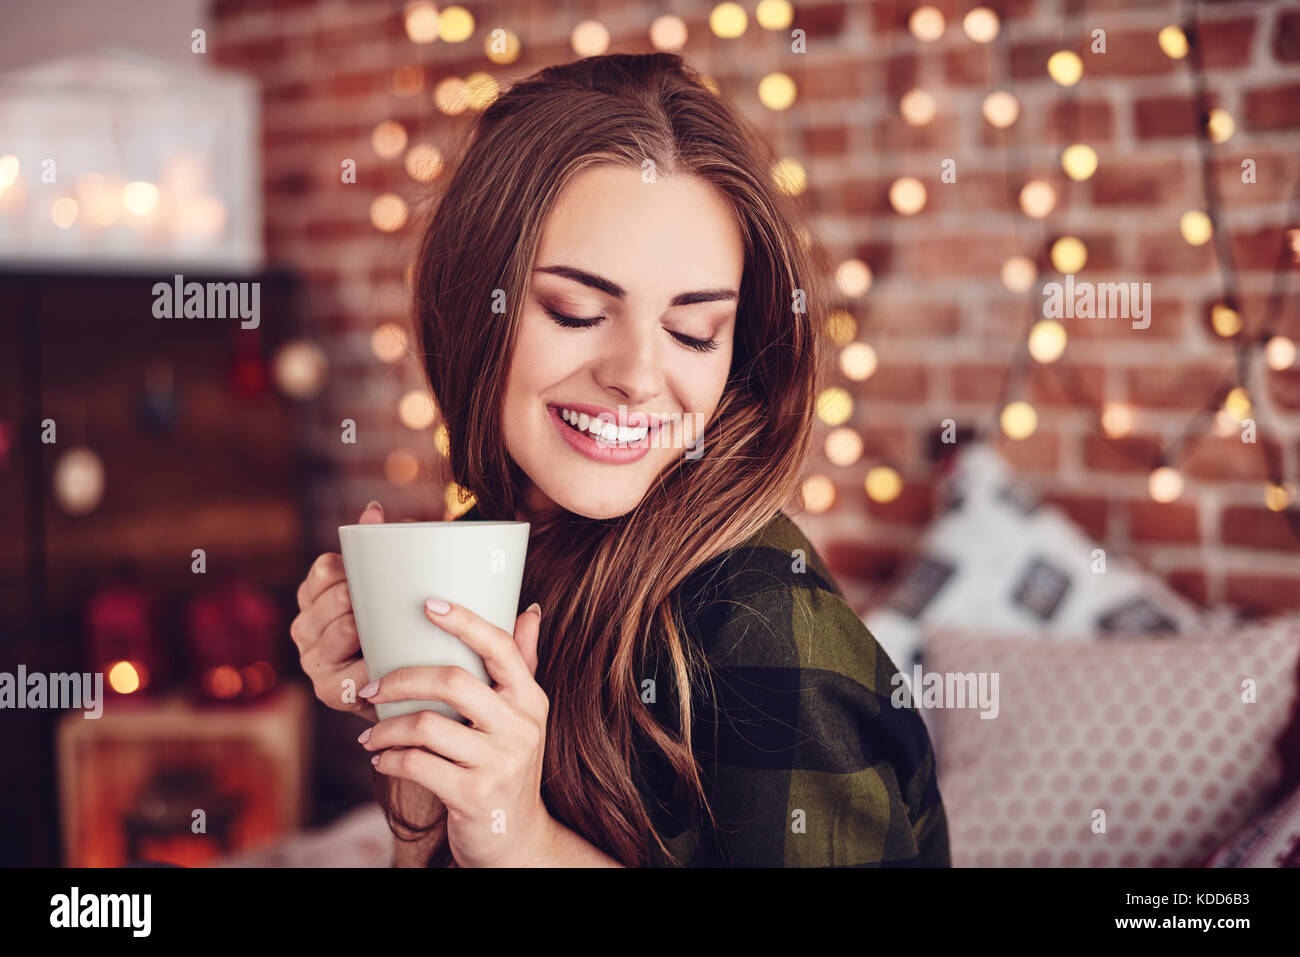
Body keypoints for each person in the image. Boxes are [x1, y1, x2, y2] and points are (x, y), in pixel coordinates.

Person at [290, 52, 949, 867]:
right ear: (471, 304)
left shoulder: (766, 627)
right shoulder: (491, 550)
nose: (637, 377)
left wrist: (524, 838)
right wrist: (423, 750)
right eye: (576, 311)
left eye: (692, 331)